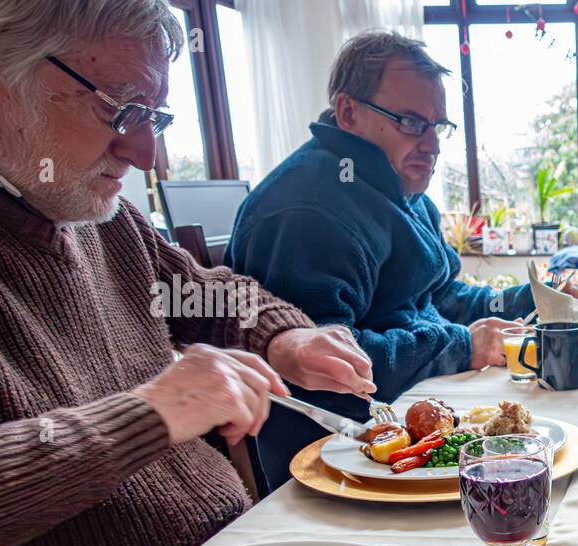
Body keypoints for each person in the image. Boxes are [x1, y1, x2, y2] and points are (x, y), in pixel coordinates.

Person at [0, 0, 375, 546]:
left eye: (152, 116)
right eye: (118, 108)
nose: (144, 152)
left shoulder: (100, 217)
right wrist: (148, 413)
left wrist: (285, 339)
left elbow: (212, 291)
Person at [226, 31, 533, 489]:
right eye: (411, 122)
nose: (432, 145)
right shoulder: (305, 212)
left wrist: (528, 300)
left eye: (438, 126)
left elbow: (443, 294)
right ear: (348, 112)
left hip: (420, 415)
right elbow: (336, 370)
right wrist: (461, 346)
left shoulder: (402, 189)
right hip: (341, 463)